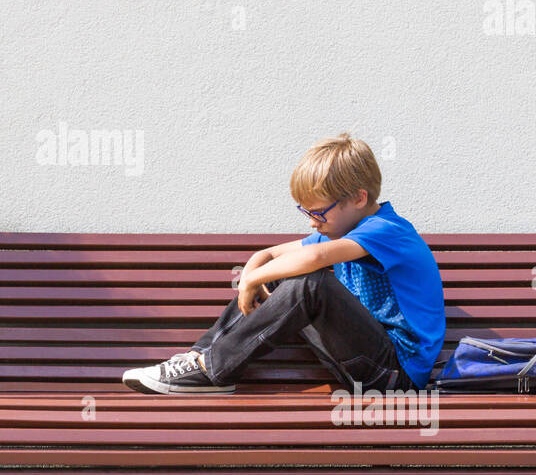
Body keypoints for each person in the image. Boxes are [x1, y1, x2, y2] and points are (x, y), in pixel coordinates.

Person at [122, 133, 445, 394]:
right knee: (281, 277)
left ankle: (214, 368)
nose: (311, 224)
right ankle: (201, 358)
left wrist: (249, 281)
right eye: (305, 213)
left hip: (395, 377)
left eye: (318, 213)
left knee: (310, 283)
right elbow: (272, 255)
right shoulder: (342, 230)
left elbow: (314, 259)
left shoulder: (387, 231)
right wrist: (254, 268)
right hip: (361, 364)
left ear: (359, 199)